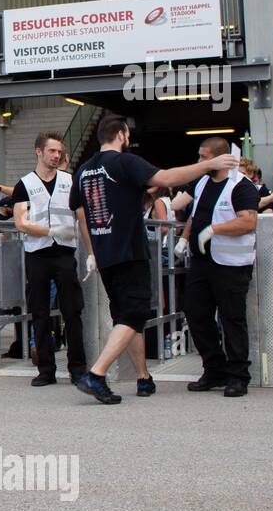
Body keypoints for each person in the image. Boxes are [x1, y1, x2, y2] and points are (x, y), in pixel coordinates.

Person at [71, 115, 238, 404]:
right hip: (128, 252)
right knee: (134, 315)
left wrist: (92, 251)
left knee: (126, 318)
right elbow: (167, 178)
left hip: (105, 253)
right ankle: (96, 375)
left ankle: (143, 377)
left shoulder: (84, 170)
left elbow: (80, 212)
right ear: (122, 134)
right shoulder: (125, 162)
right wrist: (208, 165)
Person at [174, 137, 260, 397]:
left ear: (220, 158)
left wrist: (215, 229)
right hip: (202, 262)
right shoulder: (201, 182)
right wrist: (184, 238)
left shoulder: (241, 186)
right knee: (195, 312)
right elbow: (194, 214)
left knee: (232, 318)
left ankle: (237, 375)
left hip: (231, 265)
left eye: (204, 157)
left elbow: (248, 223)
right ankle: (214, 368)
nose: (200, 161)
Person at [13, 132, 86, 387]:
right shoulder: (25, 184)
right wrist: (50, 231)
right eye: (52, 151)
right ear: (39, 152)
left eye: (59, 152)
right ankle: (46, 369)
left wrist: (92, 252)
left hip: (65, 253)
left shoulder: (70, 180)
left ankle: (78, 368)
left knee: (73, 311)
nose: (57, 156)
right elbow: (20, 223)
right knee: (39, 312)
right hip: (37, 254)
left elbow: (81, 216)